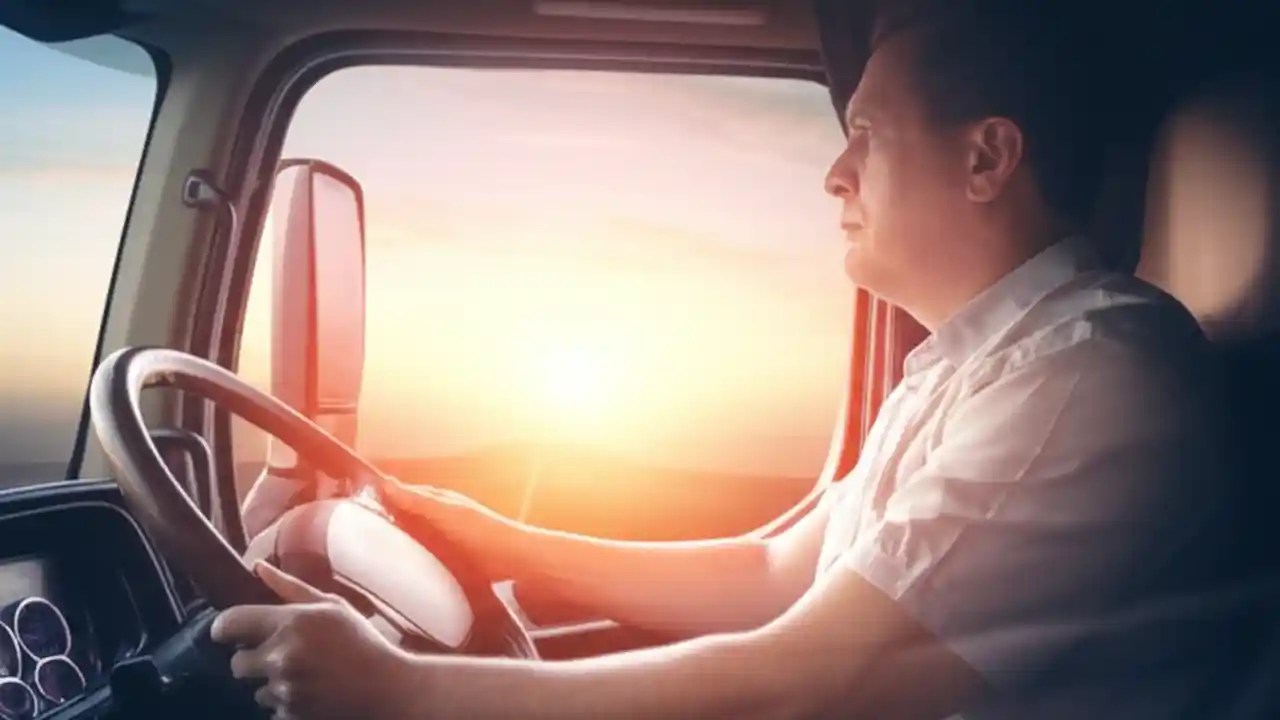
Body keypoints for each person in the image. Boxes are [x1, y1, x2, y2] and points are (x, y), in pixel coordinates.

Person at [217, 2, 1240, 718]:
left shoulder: (1085, 379)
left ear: (984, 159)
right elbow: (774, 575)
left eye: (865, 138)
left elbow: (809, 682)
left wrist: (408, 694)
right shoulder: (971, 367)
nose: (833, 174)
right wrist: (500, 541)